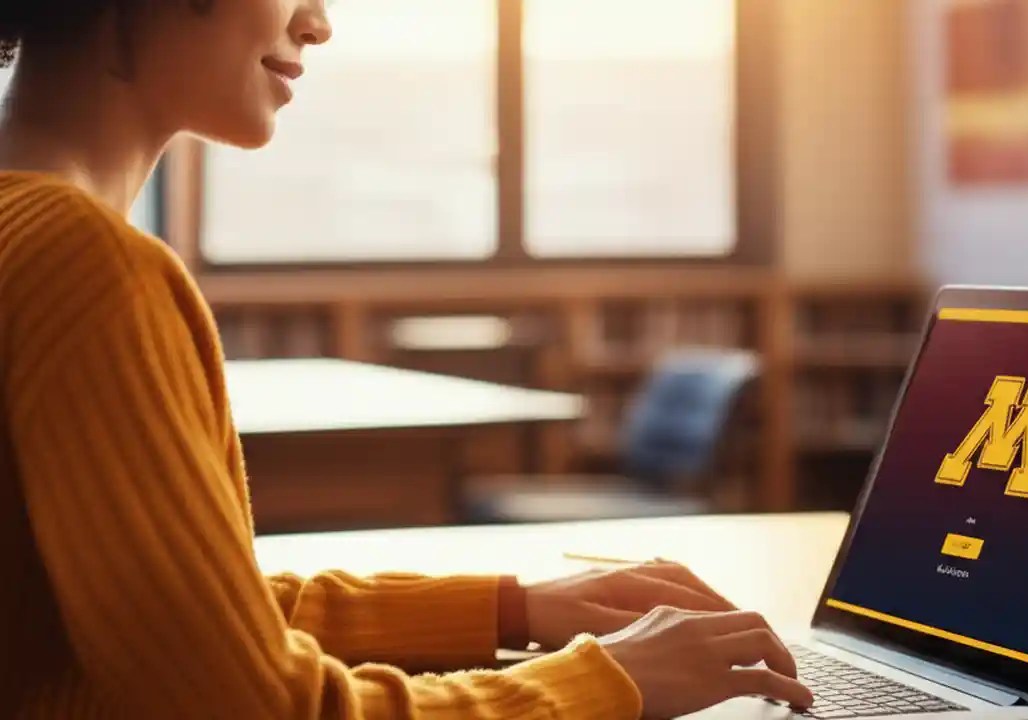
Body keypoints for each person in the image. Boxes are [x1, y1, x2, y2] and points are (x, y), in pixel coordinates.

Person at [0, 0, 814, 717]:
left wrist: (515, 609)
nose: (317, 22)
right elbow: (265, 707)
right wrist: (604, 684)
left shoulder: (27, 232)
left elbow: (189, 621)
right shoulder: (87, 263)